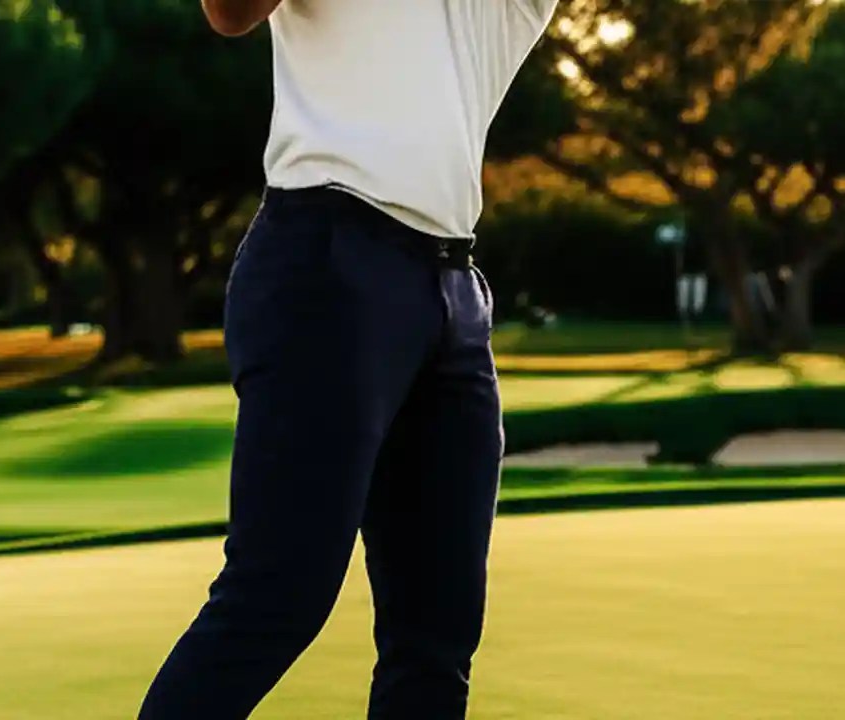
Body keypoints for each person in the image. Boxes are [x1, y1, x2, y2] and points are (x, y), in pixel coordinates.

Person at [138, 0, 557, 717]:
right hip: (326, 259)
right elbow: (230, 12)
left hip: (452, 291)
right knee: (278, 595)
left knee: (437, 635)